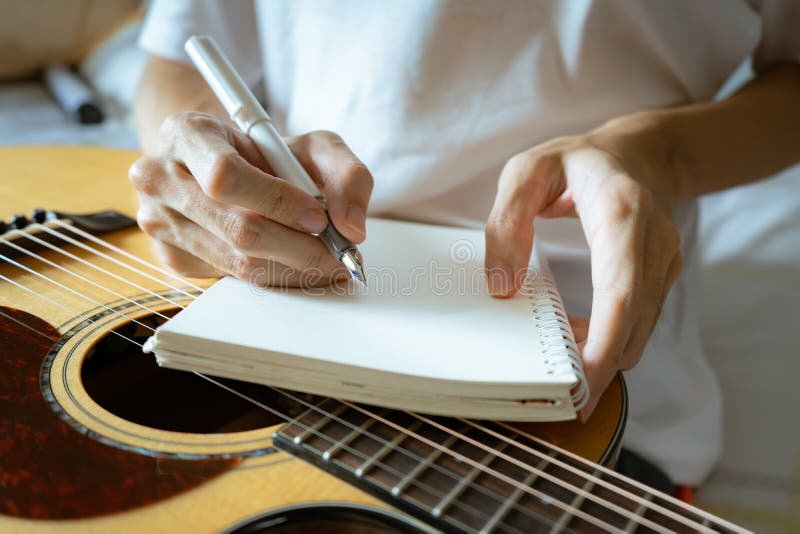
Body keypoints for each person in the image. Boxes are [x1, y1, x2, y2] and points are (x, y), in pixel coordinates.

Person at [129, 0, 800, 488]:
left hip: (588, 394)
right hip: (282, 315)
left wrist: (657, 157)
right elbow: (176, 58)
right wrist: (206, 168)